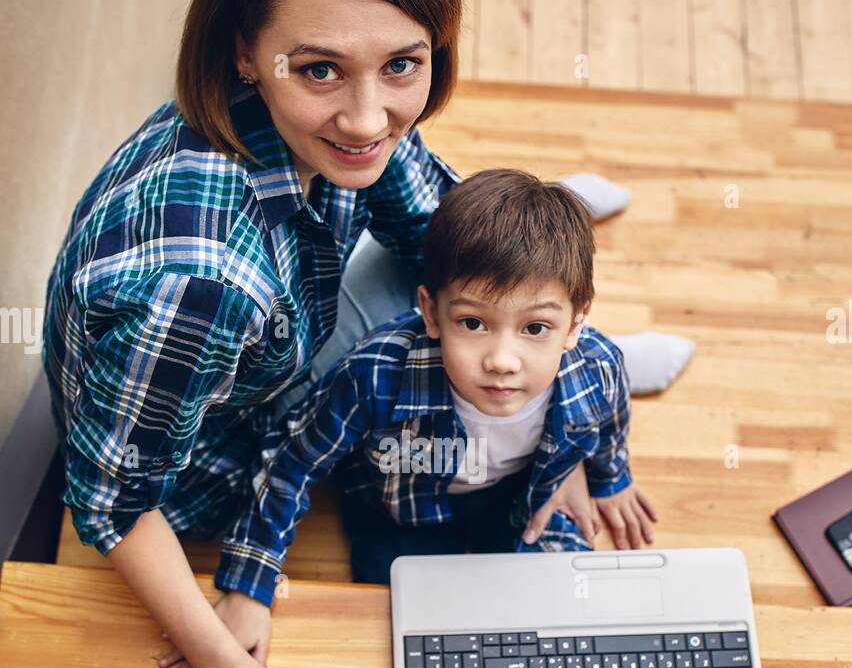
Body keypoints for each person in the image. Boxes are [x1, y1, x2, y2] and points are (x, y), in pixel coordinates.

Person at [42, 0, 685, 668]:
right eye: (319, 71)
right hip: (226, 430)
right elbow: (107, 501)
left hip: (293, 305)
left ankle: (563, 276)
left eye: (403, 65)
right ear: (241, 48)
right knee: (453, 342)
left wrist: (567, 379)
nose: (368, 115)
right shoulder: (203, 286)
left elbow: (433, 220)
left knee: (480, 275)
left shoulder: (330, 115)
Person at [204, 168, 655, 614]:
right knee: (404, 619)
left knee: (555, 601)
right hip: (398, 507)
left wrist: (610, 477)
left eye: (535, 328)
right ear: (431, 313)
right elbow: (291, 461)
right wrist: (250, 585)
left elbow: (610, 421)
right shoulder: (376, 373)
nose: (502, 360)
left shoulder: (597, 365)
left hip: (520, 491)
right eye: (473, 323)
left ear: (577, 324)